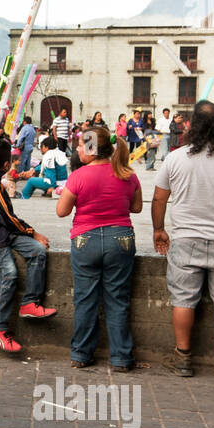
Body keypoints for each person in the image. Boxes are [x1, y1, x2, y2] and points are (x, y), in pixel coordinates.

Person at [56, 126, 142, 369]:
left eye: (82, 145)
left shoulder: (78, 176)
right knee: (118, 299)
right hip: (120, 240)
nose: (78, 149)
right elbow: (136, 208)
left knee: (85, 300)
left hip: (86, 240)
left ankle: (81, 354)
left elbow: (62, 211)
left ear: (92, 149)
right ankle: (121, 358)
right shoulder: (128, 174)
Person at [151, 100, 214, 378]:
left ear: (191, 126)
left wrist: (159, 229)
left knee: (183, 300)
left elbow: (159, 197)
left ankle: (183, 358)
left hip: (184, 240)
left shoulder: (175, 158)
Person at [0, 140, 55, 353]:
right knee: (9, 272)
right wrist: (33, 232)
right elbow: (7, 217)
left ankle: (30, 302)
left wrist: (31, 236)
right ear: (5, 165)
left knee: (38, 252)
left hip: (6, 232)